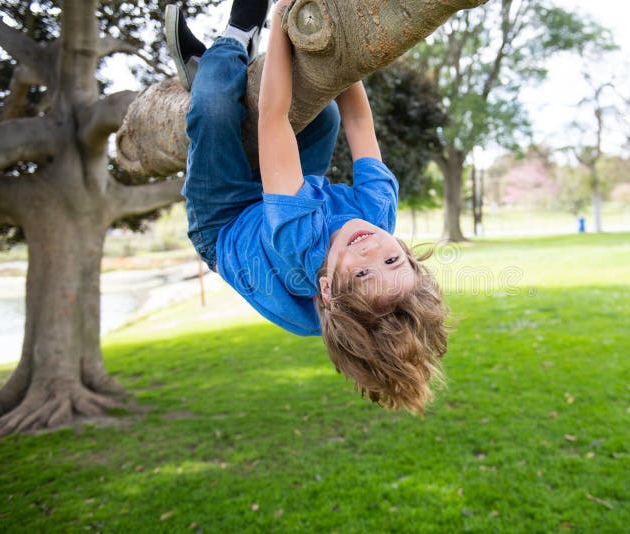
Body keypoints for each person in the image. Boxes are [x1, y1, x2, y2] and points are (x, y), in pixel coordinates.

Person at [165, 0, 448, 413]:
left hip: (227, 222)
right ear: (407, 254)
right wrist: (343, 55)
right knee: (326, 114)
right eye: (391, 262)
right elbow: (358, 123)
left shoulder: (299, 239)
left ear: (327, 288)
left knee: (213, 106)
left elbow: (274, 117)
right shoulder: (377, 212)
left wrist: (282, 15)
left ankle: (233, 41)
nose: (372, 250)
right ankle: (210, 69)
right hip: (291, 211)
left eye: (362, 273)